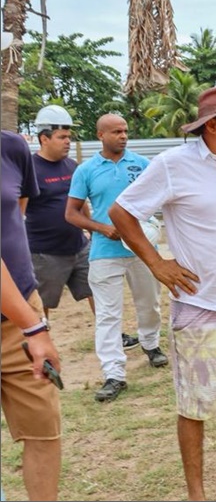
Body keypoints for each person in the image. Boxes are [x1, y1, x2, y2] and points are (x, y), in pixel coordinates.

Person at [109, 84, 216, 501]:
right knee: (195, 406)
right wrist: (156, 263)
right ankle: (197, 495)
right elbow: (122, 211)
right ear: (212, 126)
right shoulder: (174, 165)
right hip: (201, 307)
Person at [66, 114, 167, 403]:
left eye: (125, 131)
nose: (122, 136)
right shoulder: (86, 170)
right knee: (108, 315)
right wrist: (101, 227)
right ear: (100, 135)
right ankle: (114, 374)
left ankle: (151, 344)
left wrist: (150, 225)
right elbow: (71, 213)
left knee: (149, 304)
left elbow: (160, 197)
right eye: (116, 132)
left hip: (143, 251)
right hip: (104, 252)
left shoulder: (143, 165)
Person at [25, 105, 140, 349]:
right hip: (45, 251)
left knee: (95, 291)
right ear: (44, 138)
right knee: (43, 300)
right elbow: (19, 210)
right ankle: (40, 341)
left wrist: (91, 228)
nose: (68, 142)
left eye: (69, 137)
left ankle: (114, 335)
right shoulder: (31, 169)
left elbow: (80, 204)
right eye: (62, 137)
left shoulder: (72, 166)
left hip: (79, 246)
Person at [1, 126, 63, 502]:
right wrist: (34, 326)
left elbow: (14, 215)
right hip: (27, 323)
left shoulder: (11, 147)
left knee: (44, 429)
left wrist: (28, 319)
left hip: (20, 316)